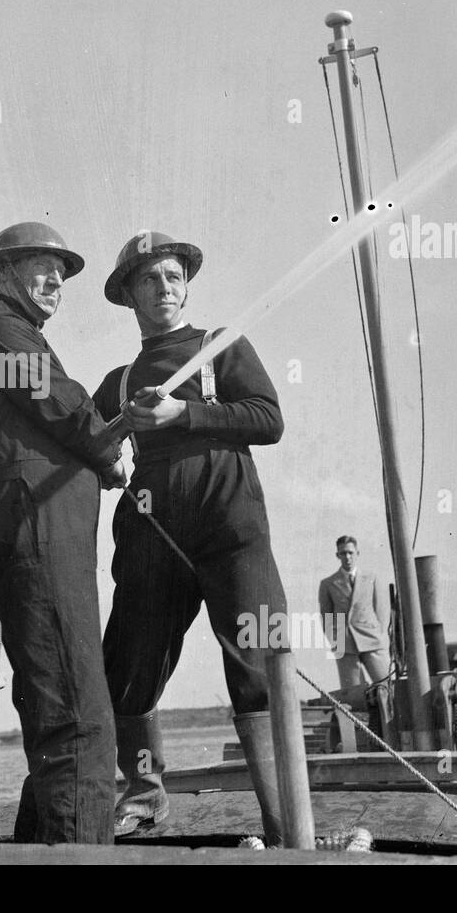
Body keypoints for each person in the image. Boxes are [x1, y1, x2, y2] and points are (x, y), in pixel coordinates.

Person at [92, 231, 288, 842]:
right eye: (149, 280)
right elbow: (87, 447)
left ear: (187, 284)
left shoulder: (219, 347)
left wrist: (186, 414)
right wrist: (108, 463)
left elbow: (269, 419)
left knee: (259, 665)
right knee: (128, 666)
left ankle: (284, 818)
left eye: (173, 276)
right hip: (152, 540)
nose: (164, 289)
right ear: (129, 296)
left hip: (232, 533)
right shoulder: (119, 381)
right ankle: (145, 797)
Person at [0, 221, 125, 845]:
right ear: (0, 274)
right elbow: (58, 400)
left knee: (55, 706)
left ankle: (38, 850)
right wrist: (110, 451)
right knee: (79, 716)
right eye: (40, 267)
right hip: (34, 536)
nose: (56, 281)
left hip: (26, 536)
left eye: (62, 272)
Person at [319, 535, 393, 725]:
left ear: (357, 553)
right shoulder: (328, 583)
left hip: (372, 640)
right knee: (353, 695)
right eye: (343, 553)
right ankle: (363, 736)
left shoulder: (372, 578)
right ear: (337, 555)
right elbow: (326, 617)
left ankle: (393, 727)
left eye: (350, 553)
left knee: (387, 686)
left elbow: (382, 610)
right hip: (345, 645)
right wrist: (336, 641)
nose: (347, 557)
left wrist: (381, 635)